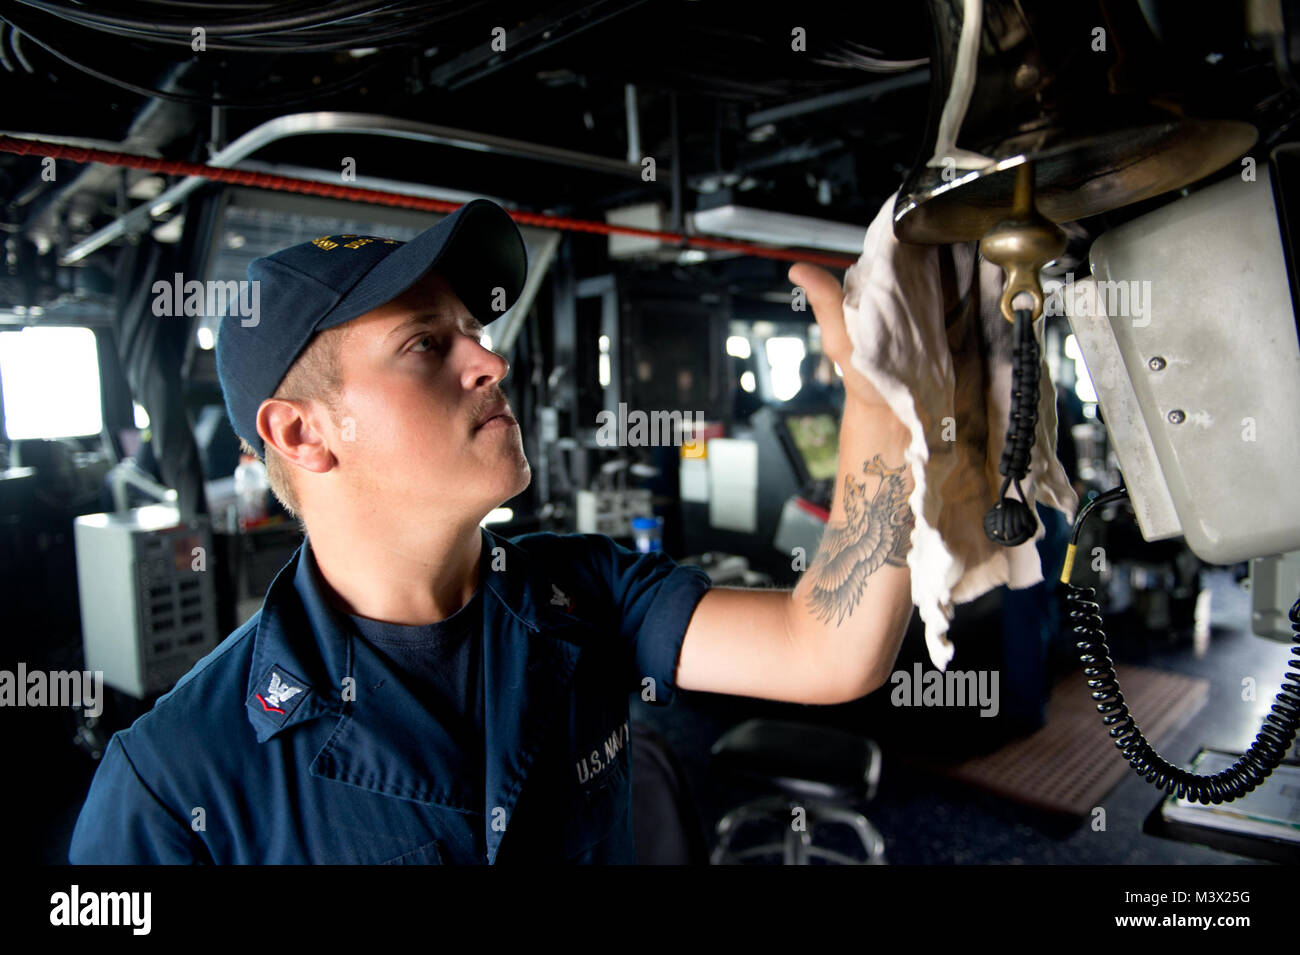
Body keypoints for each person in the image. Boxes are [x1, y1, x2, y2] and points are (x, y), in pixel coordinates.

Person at [68, 199, 918, 864]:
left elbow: (829, 647)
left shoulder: (585, 591)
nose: (491, 361)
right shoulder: (172, 778)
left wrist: (881, 405)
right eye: (425, 343)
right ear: (302, 434)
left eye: (473, 333)